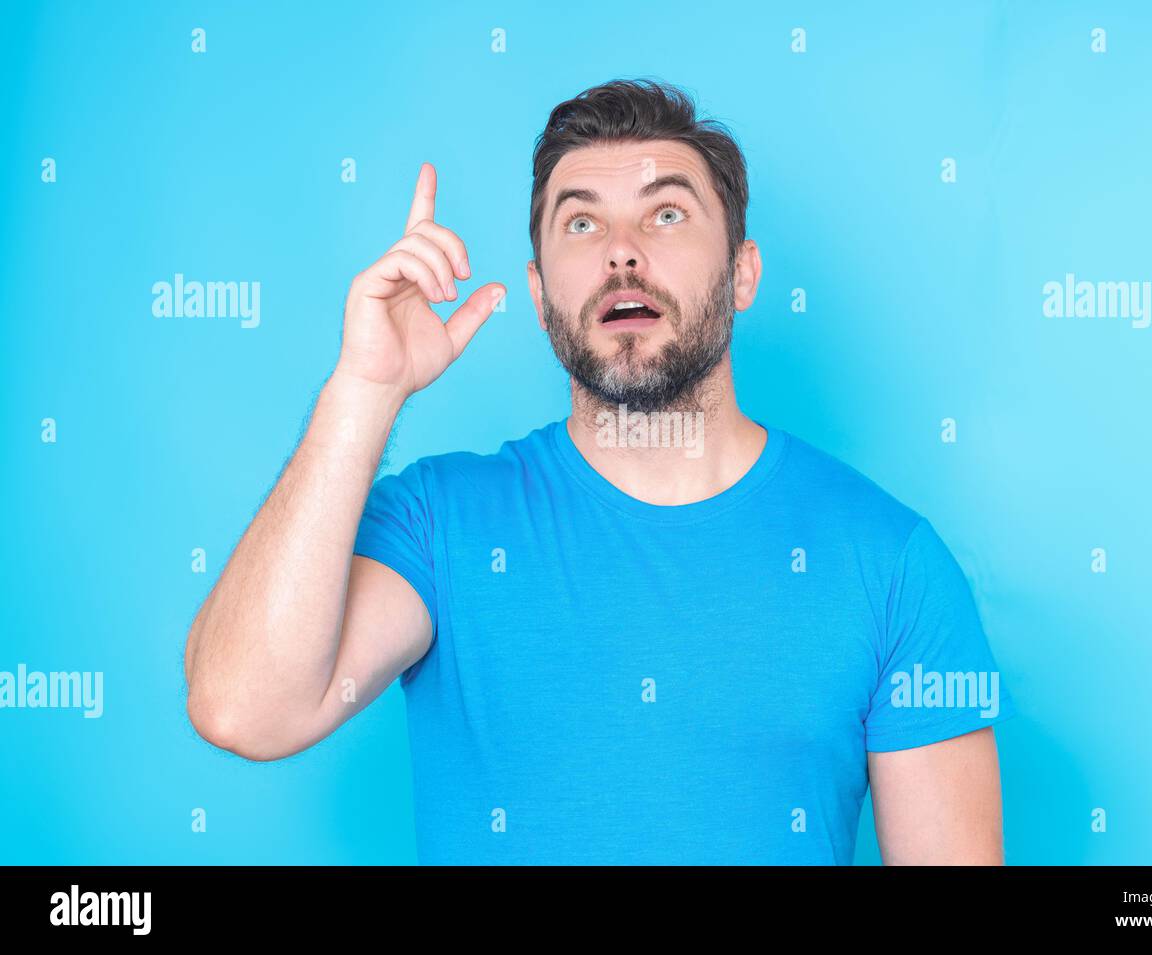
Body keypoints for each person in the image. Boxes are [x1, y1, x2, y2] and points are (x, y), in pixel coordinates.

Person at [184, 78, 1018, 865]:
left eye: (665, 215)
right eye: (582, 224)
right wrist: (364, 390)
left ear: (742, 274)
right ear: (541, 293)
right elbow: (241, 708)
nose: (623, 253)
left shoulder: (894, 562)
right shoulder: (439, 525)